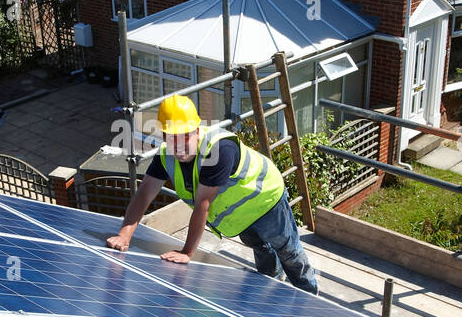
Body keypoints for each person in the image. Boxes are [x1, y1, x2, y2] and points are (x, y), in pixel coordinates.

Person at [106, 93, 319, 294]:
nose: (179, 147)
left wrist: (187, 252)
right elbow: (144, 194)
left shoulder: (219, 149)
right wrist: (124, 235)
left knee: (287, 251)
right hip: (238, 215)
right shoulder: (165, 157)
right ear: (164, 136)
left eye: (185, 137)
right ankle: (272, 291)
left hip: (264, 199)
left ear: (197, 131)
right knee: (261, 248)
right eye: (172, 139)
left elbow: (203, 204)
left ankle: (309, 297)